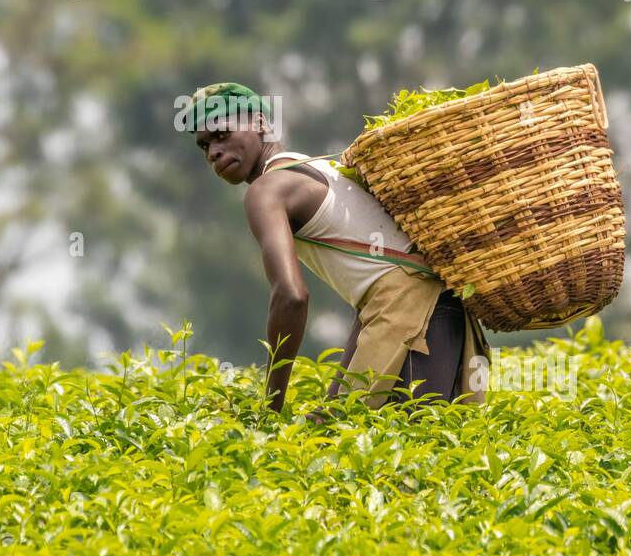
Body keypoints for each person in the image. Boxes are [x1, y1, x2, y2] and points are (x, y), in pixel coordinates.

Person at [187, 81, 489, 418]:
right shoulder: (320, 168)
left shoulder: (266, 191)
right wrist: (333, 401)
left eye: (222, 134)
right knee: (396, 442)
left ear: (259, 122)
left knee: (407, 456)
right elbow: (377, 294)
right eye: (204, 146)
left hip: (417, 319)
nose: (213, 152)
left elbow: (291, 297)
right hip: (443, 312)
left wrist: (271, 407)